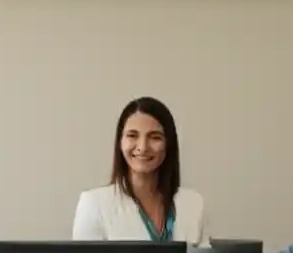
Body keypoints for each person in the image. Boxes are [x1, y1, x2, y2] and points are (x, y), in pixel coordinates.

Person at [72, 96, 208, 244]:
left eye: (155, 137)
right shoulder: (94, 204)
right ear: (120, 142)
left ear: (169, 144)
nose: (142, 147)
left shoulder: (193, 204)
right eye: (132, 135)